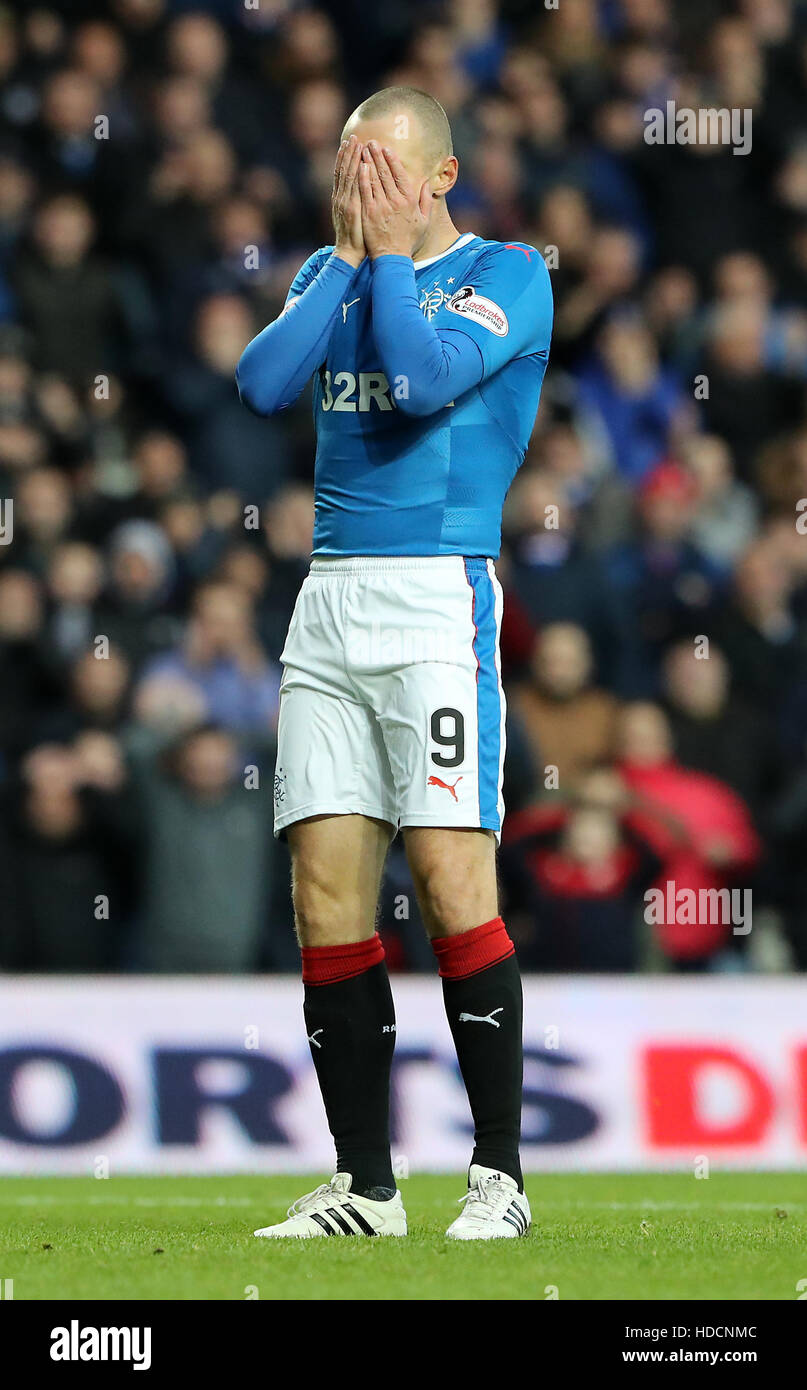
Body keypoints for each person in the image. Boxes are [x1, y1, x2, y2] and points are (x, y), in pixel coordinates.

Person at [236, 86, 553, 1240]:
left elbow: (418, 381)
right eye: (345, 161)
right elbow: (262, 385)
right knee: (325, 894)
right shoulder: (326, 273)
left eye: (380, 165)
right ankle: (367, 1186)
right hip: (328, 602)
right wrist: (351, 262)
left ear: (441, 178)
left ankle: (500, 1175)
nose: (358, 182)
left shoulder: (511, 274)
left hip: (435, 599)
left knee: (452, 883)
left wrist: (375, 267)